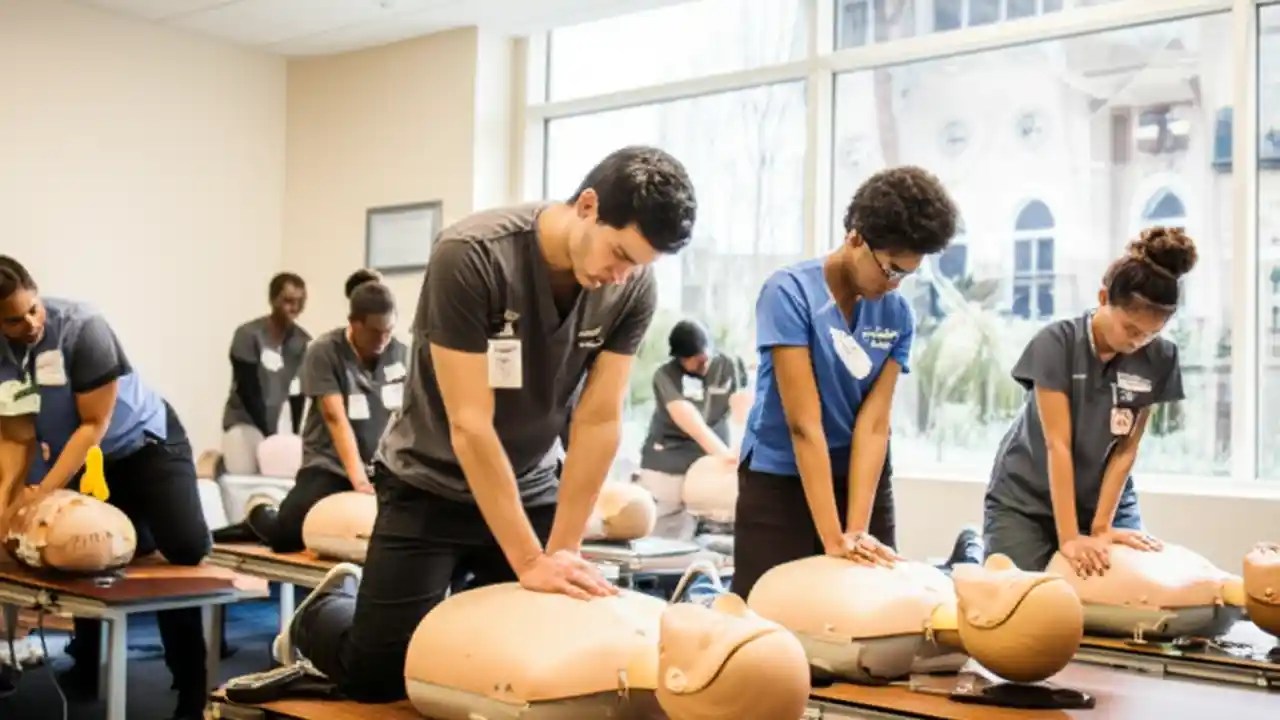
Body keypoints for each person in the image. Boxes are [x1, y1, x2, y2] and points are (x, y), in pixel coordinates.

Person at [271, 146, 697, 703]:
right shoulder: (470, 255)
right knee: (375, 678)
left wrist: (558, 554)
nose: (623, 275)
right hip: (429, 483)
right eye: (620, 253)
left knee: (526, 659)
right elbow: (470, 424)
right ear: (588, 206)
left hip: (530, 487)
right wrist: (528, 560)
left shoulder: (632, 286)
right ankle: (325, 609)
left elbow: (598, 419)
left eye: (640, 264)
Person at [730, 167, 958, 602]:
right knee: (771, 613)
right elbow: (803, 423)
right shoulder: (789, 292)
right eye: (890, 269)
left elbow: (874, 426)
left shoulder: (896, 315)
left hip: (857, 474)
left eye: (906, 276)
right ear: (856, 238)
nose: (893, 285)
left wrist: (855, 530)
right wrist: (832, 538)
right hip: (782, 475)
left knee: (868, 602)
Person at [0, 256, 211, 720]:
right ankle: (86, 664)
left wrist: (41, 493)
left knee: (183, 552)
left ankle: (192, 684)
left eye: (33, 308)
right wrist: (9, 504)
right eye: (13, 320)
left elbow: (93, 426)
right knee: (79, 549)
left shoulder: (83, 328)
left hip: (143, 444)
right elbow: (16, 435)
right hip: (79, 455)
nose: (30, 323)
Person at [981, 227, 1198, 576]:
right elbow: (1058, 445)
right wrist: (1069, 538)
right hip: (1027, 498)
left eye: (1151, 334)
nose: (1139, 342)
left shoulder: (1161, 356)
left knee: (1127, 588)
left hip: (1105, 500)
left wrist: (1100, 529)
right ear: (1103, 297)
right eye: (1131, 329)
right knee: (1026, 601)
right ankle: (969, 551)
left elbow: (1127, 448)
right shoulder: (1056, 343)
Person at [239, 278, 406, 552]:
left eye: (388, 331)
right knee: (287, 537)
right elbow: (335, 419)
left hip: (381, 466)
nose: (382, 339)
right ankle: (260, 512)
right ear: (354, 323)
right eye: (375, 332)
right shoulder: (324, 351)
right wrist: (360, 482)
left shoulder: (399, 353)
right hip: (330, 465)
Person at [636, 319, 748, 540]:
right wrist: (725, 455)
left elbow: (742, 406)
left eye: (705, 358)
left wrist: (741, 449)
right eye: (695, 361)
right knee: (667, 533)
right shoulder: (666, 376)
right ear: (679, 358)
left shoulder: (729, 366)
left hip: (709, 465)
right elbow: (689, 419)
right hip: (669, 462)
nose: (703, 365)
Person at [221, 272, 310, 475]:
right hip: (245, 421)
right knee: (243, 479)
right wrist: (267, 432)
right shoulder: (248, 335)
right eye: (288, 301)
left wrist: (293, 435)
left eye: (300, 302)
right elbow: (247, 388)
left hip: (277, 424)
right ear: (273, 299)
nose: (294, 308)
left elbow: (299, 394)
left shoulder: (303, 342)